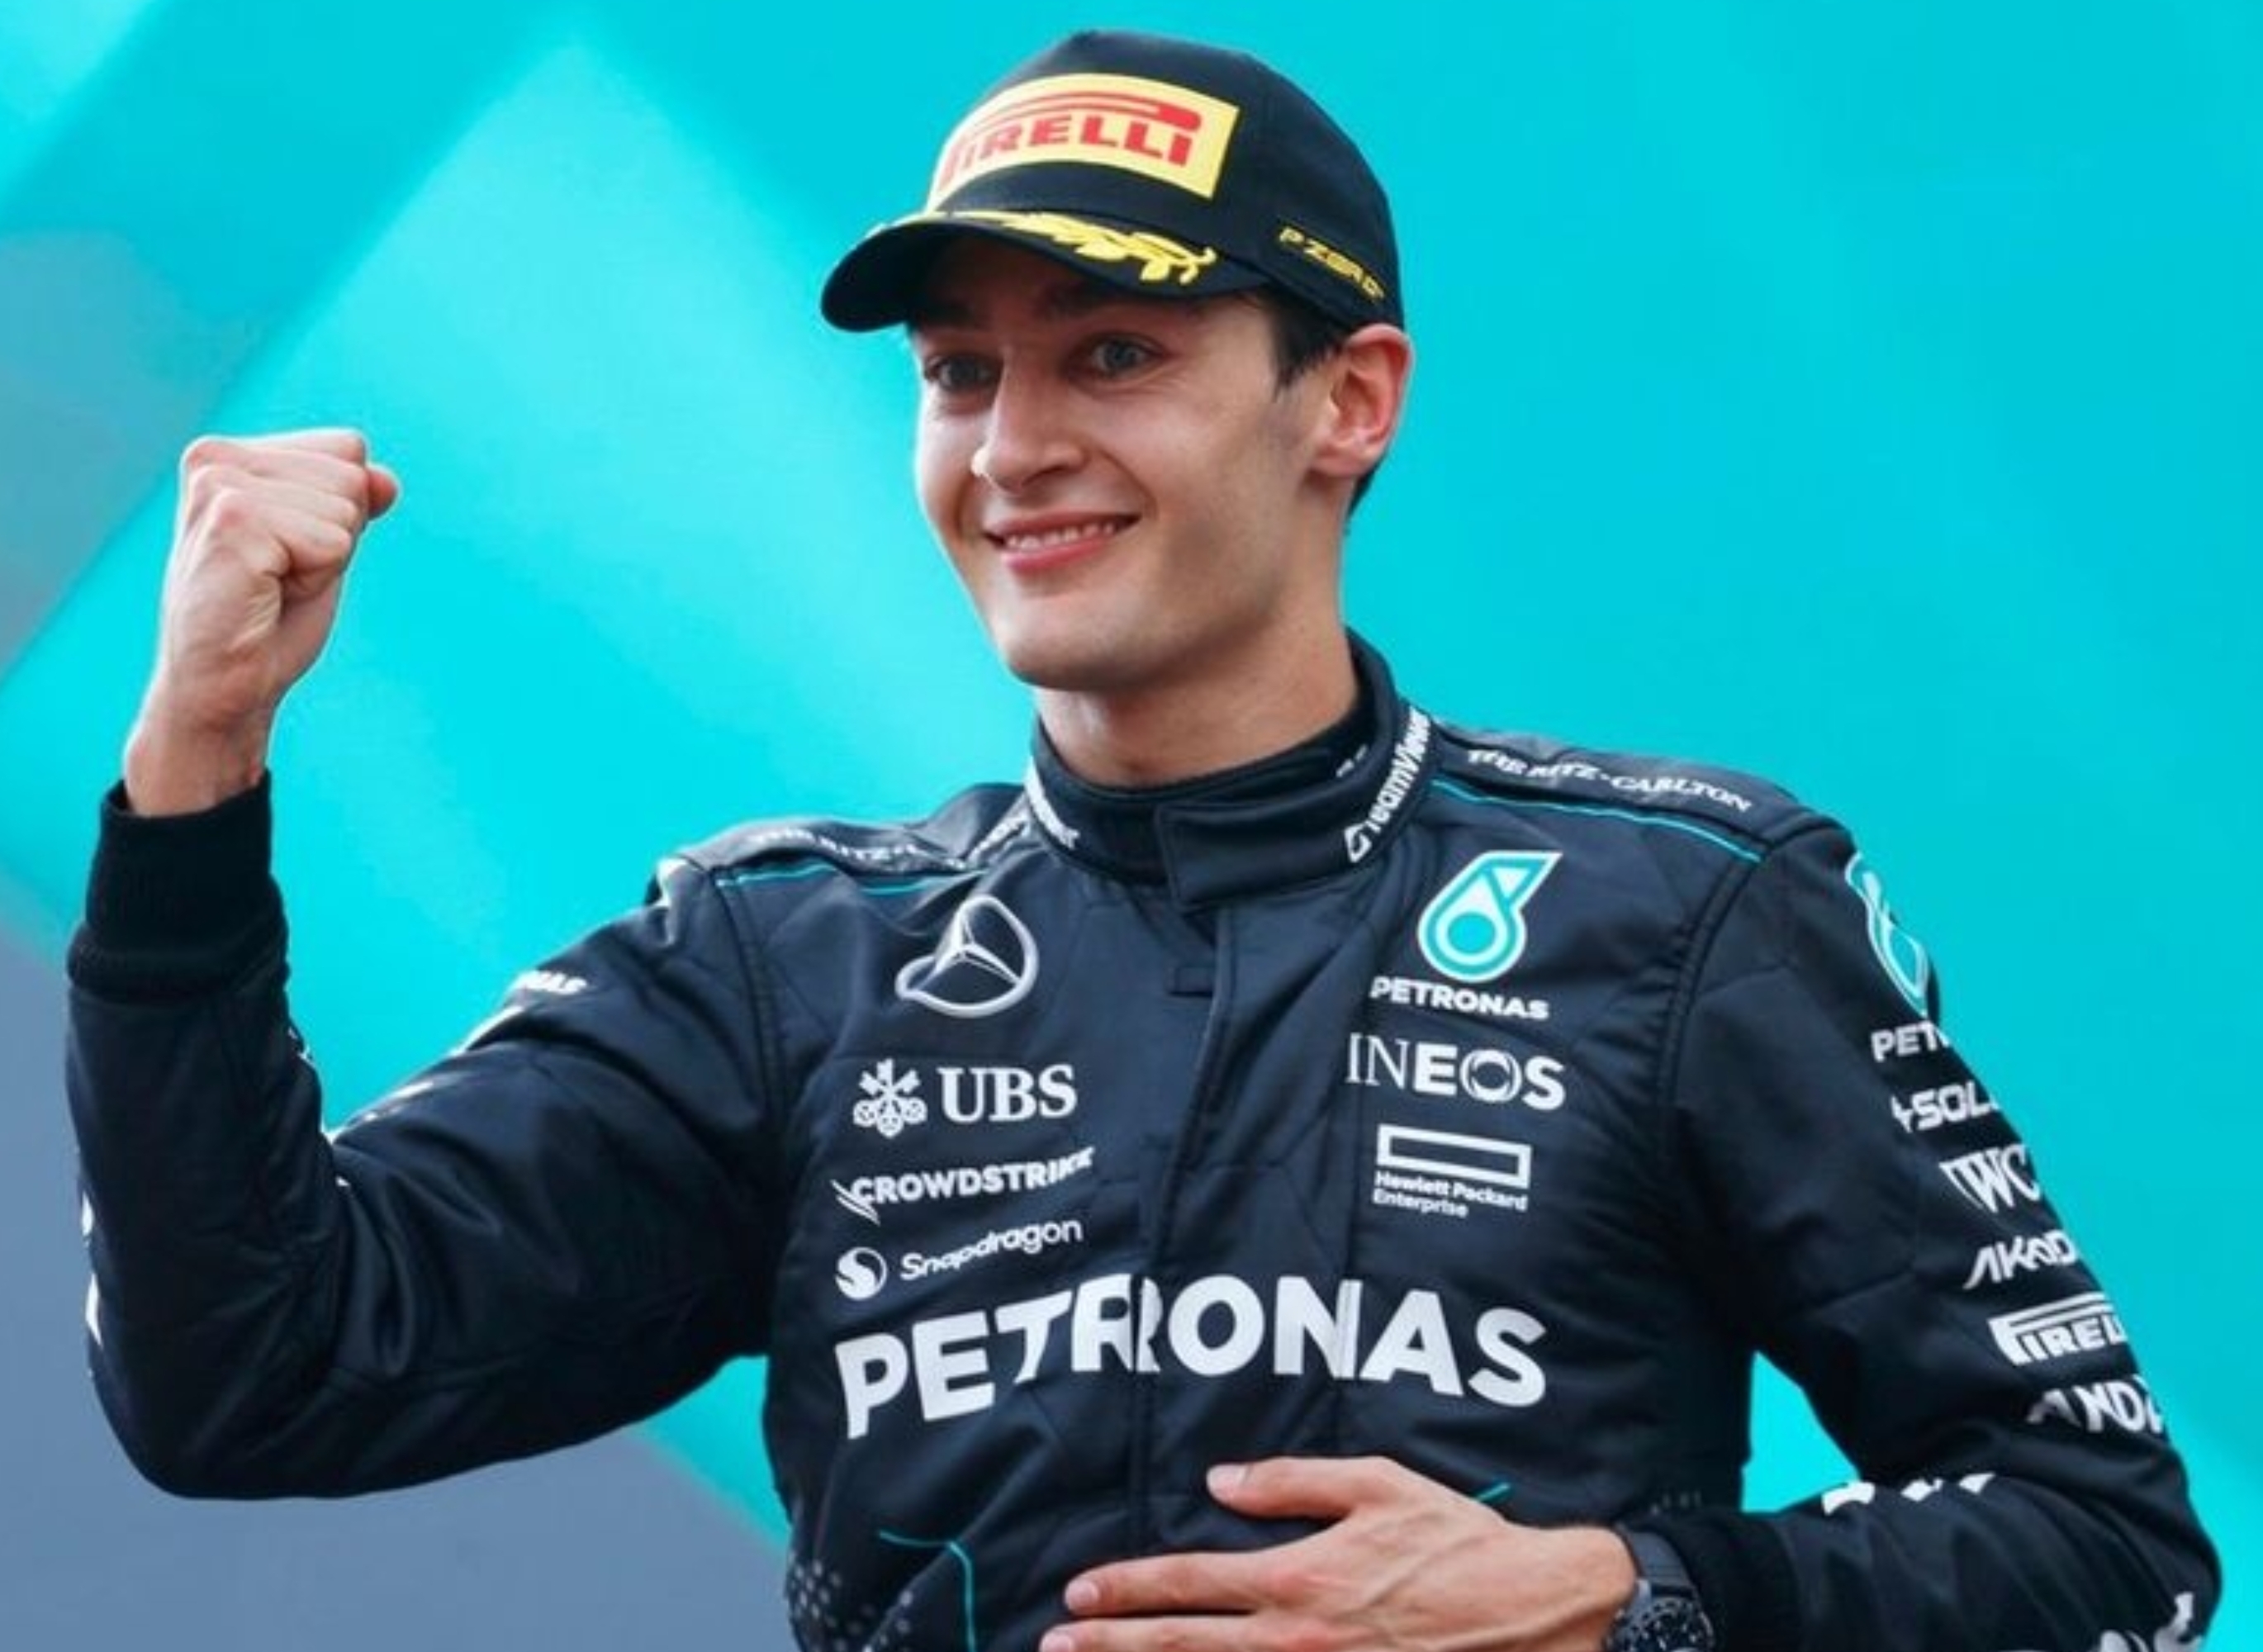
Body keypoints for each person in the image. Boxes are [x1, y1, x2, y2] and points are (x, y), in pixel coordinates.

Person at [66, 28, 2217, 1652]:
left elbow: (2106, 1538)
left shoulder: (1682, 908)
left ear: (1345, 401)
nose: (1014, 450)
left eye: (1112, 353)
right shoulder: (780, 959)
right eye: (956, 374)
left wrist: (1603, 1593)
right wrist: (197, 764)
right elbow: (252, 1377)